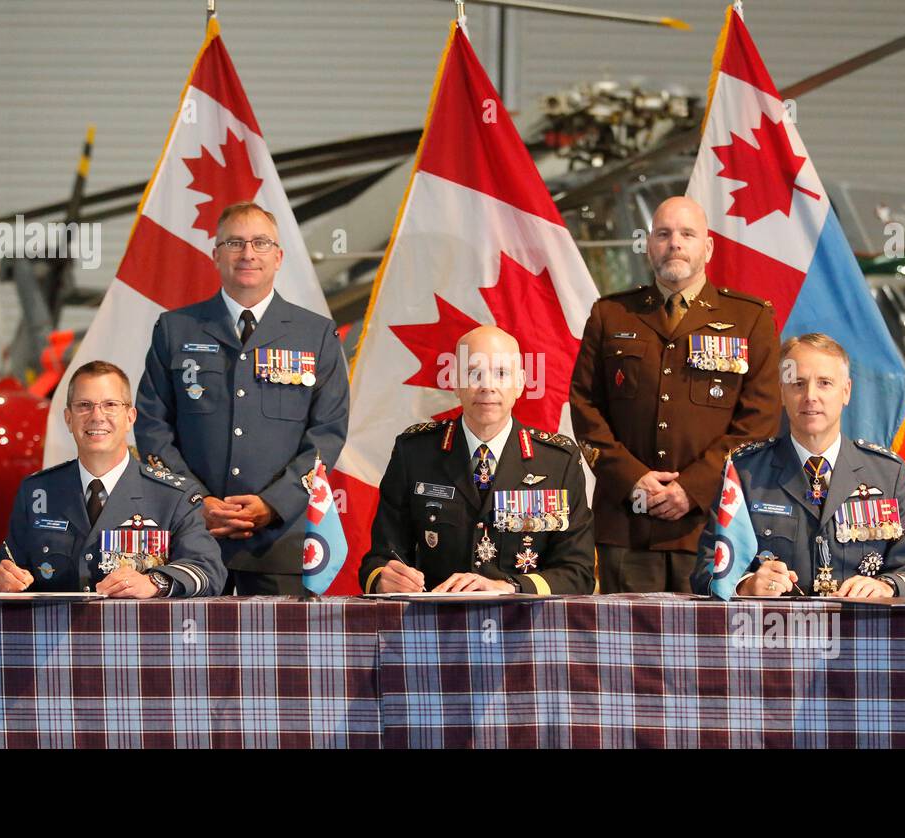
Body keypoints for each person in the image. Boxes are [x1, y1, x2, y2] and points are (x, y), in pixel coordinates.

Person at [569, 195, 781, 593]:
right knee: (626, 650)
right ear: (649, 245)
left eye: (687, 234)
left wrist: (693, 488)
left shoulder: (749, 318)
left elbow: (759, 421)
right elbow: (585, 406)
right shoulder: (611, 314)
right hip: (627, 524)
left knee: (710, 652)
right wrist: (633, 479)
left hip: (714, 526)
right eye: (663, 234)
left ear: (708, 246)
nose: (675, 243)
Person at [134, 201, 349, 595]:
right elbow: (151, 426)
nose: (248, 253)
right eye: (234, 242)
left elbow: (327, 434)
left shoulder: (315, 335)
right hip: (188, 538)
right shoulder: (175, 330)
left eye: (261, 243)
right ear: (215, 255)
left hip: (280, 541)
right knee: (187, 656)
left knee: (280, 656)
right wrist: (196, 501)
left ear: (279, 257)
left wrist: (274, 503)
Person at [694, 333, 905, 598]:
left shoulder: (888, 474)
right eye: (798, 384)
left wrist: (887, 586)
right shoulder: (744, 473)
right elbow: (706, 572)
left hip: (860, 632)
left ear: (846, 391)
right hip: (776, 633)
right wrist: (745, 584)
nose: (810, 396)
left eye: (824, 383)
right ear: (782, 393)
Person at [360, 326, 595, 595]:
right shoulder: (414, 454)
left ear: (520, 383)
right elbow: (380, 559)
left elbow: (578, 572)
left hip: (524, 625)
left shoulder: (557, 462)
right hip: (437, 625)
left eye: (501, 374)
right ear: (454, 382)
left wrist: (508, 587)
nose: (487, 387)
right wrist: (383, 579)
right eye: (474, 373)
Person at [0, 360, 225, 597]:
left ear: (130, 417)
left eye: (110, 404)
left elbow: (209, 571)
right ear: (69, 418)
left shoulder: (173, 496)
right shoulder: (38, 493)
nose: (97, 416)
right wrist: (2, 584)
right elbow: (5, 575)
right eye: (84, 405)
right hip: (57, 632)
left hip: (137, 632)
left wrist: (155, 582)